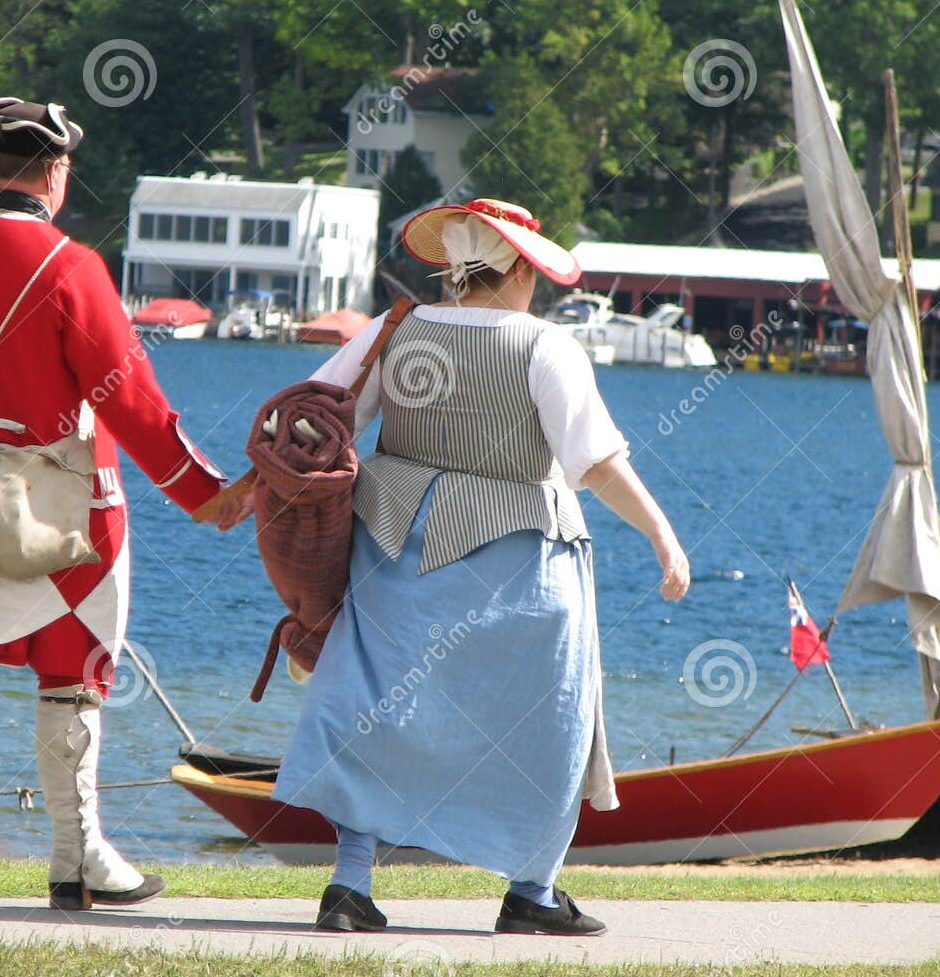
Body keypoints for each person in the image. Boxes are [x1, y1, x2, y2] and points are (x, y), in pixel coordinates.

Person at [0, 95, 251, 912]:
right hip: (61, 515)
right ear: (56, 170)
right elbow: (132, 398)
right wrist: (206, 496)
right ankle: (78, 857)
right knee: (74, 676)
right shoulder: (74, 268)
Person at [271, 198, 690, 936]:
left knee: (376, 706)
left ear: (456, 271)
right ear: (524, 269)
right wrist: (663, 535)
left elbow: (314, 418)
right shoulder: (543, 346)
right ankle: (531, 892)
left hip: (392, 541)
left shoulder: (392, 329)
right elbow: (596, 463)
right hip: (517, 560)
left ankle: (349, 887)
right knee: (545, 722)